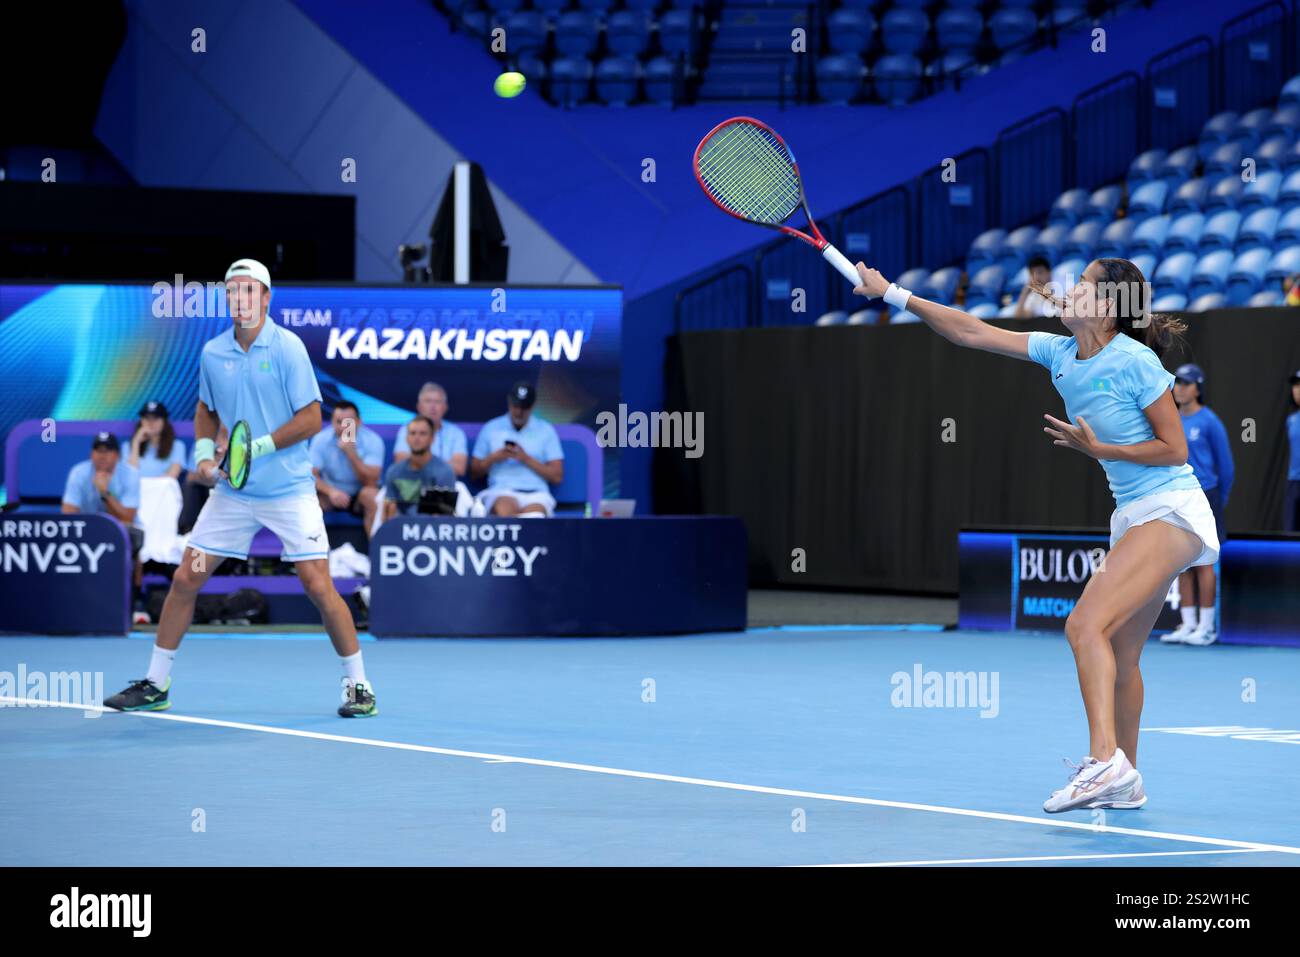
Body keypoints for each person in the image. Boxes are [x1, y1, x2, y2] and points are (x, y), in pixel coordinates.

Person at [853, 257, 1216, 813]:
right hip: (1135, 514)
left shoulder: (1135, 361)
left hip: (1171, 506)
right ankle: (1128, 779)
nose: (1071, 290)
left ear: (1111, 306)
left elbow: (1175, 449)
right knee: (1120, 650)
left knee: (1084, 624)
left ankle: (1102, 763)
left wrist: (1102, 451)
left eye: (1087, 285)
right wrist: (892, 294)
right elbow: (970, 330)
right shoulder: (1059, 351)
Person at [103, 258, 377, 718]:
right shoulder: (213, 353)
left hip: (290, 491)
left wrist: (258, 447)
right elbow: (206, 410)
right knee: (186, 576)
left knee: (317, 584)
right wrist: (206, 455)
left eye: (249, 290)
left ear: (266, 298)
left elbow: (312, 416)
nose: (240, 298)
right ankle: (155, 682)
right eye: (232, 290)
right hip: (234, 494)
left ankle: (360, 687)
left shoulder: (287, 347)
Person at [1161, 364, 1233, 647]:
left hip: (1207, 496)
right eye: (1177, 382)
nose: (1180, 388)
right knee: (1181, 563)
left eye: (1187, 383)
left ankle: (1206, 627)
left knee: (1205, 563)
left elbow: (1226, 467)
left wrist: (1218, 498)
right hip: (1178, 496)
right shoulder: (1171, 419)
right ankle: (1188, 625)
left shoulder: (1210, 421)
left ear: (1198, 388)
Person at [62, 432, 146, 619]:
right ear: (91, 454)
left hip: (123, 530)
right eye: (98, 451)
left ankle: (136, 601)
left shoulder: (130, 475)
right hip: (86, 530)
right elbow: (68, 513)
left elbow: (128, 516)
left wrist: (105, 493)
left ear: (117, 455)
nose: (102, 455)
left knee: (135, 543)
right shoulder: (78, 473)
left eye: (108, 451)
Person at [471, 381, 564, 517]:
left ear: (532, 407)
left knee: (534, 518)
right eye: (515, 406)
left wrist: (525, 459)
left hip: (536, 493)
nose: (518, 412)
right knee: (506, 514)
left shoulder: (546, 430)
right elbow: (474, 473)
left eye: (524, 407)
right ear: (509, 403)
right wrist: (494, 458)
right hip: (501, 491)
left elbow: (557, 476)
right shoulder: (491, 428)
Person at [310, 400, 385, 531]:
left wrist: (351, 453)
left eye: (348, 422)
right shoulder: (320, 440)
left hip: (360, 494)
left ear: (359, 422)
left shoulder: (373, 441)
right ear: (332, 422)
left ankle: (376, 549)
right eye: (339, 422)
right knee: (308, 500)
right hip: (331, 493)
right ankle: (313, 549)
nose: (344, 427)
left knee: (373, 497)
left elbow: (371, 482)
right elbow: (310, 476)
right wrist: (331, 491)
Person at [382, 416, 456, 521]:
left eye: (422, 433)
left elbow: (444, 515)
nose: (417, 438)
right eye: (412, 433)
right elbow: (388, 511)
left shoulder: (444, 471)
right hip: (400, 529)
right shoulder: (394, 471)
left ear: (432, 438)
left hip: (432, 529)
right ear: (407, 438)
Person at [392, 382, 468, 477]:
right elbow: (401, 462)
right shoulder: (407, 429)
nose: (432, 407)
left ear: (445, 407)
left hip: (447, 485)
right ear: (419, 406)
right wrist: (440, 465)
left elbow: (459, 468)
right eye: (428, 401)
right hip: (413, 481)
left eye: (437, 402)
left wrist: (418, 462)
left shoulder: (456, 433)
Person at [127, 401, 186, 479]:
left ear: (164, 422)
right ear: (141, 421)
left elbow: (172, 476)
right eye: (147, 418)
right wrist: (136, 443)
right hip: (135, 490)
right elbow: (130, 476)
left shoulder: (177, 446)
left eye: (156, 418)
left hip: (163, 490)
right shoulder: (128, 446)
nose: (151, 422)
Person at [1286, 369, 1300, 531]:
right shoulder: (1291, 420)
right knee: (1289, 533)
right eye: (1295, 386)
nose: (1297, 390)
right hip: (1293, 484)